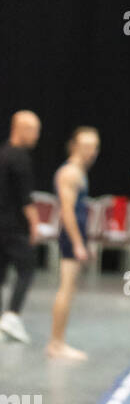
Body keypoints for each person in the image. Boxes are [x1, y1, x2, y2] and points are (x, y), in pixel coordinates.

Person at [47, 127, 100, 361]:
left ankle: (58, 341)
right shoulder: (69, 173)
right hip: (71, 236)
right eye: (87, 146)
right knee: (66, 289)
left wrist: (84, 242)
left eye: (95, 146)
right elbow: (67, 211)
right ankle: (56, 344)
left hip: (77, 234)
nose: (92, 151)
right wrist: (78, 243)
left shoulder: (79, 171)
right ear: (75, 146)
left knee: (70, 289)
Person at [0, 110, 41, 343]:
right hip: (13, 227)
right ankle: (12, 315)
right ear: (21, 128)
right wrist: (35, 225)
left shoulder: (3, 154)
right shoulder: (19, 158)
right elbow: (25, 198)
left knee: (1, 273)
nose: (36, 136)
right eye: (34, 131)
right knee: (27, 269)